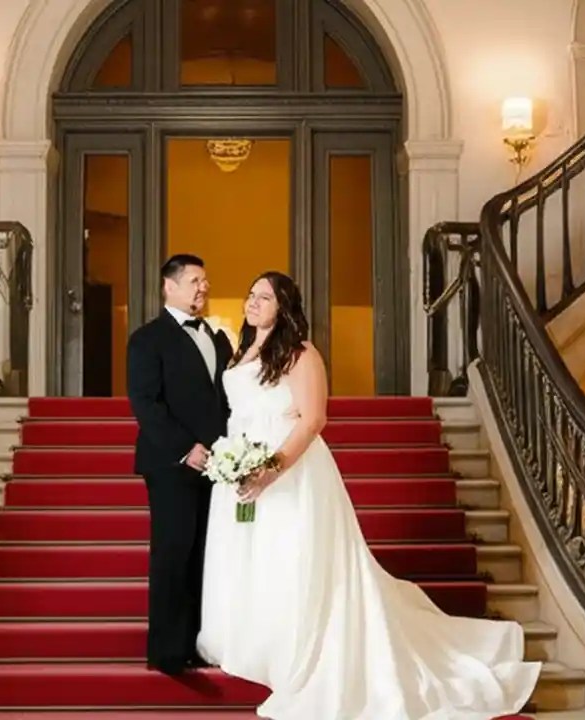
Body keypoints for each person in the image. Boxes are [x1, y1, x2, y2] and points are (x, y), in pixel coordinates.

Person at [196, 271, 541, 719]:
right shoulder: (241, 352)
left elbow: (313, 420)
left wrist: (270, 469)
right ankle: (254, 639)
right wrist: (235, 463)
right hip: (241, 468)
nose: (253, 302)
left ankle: (297, 648)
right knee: (251, 556)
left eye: (265, 296)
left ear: (284, 307)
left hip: (289, 470)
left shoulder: (300, 355)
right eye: (251, 294)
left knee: (291, 557)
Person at [126, 253, 233, 676]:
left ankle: (199, 642)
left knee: (208, 554)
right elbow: (145, 404)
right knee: (173, 552)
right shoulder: (147, 339)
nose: (202, 288)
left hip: (219, 464)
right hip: (172, 463)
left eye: (205, 281)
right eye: (194, 280)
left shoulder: (218, 336)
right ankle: (168, 652)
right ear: (169, 286)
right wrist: (186, 448)